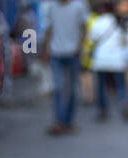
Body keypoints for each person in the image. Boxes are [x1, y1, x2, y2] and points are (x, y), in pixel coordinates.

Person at [42, 0, 90, 133]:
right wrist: (45, 49)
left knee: (73, 89)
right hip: (56, 53)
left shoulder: (79, 6)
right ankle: (59, 122)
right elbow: (49, 29)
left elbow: (85, 27)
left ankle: (69, 122)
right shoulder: (51, 6)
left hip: (73, 54)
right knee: (58, 88)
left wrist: (80, 46)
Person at [86, 0, 128, 120]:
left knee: (101, 86)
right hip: (117, 60)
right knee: (121, 85)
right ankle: (123, 103)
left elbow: (92, 39)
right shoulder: (118, 22)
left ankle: (103, 110)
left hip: (101, 59)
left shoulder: (97, 22)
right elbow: (125, 41)